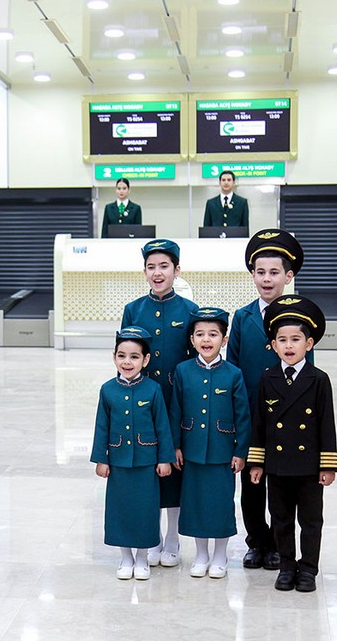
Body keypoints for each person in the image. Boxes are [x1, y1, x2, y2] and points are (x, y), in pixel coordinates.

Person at [227, 229, 307, 571]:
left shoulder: (300, 316)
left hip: (287, 416)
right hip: (250, 416)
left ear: (288, 276)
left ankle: (277, 542)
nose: (266, 279)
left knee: (282, 482)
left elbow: (307, 371)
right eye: (260, 272)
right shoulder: (243, 317)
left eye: (274, 272)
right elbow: (231, 368)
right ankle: (255, 541)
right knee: (251, 482)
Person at [248, 295, 337, 593]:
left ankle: (308, 568)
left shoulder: (319, 379)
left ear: (309, 344)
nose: (288, 346)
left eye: (295, 339)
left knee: (311, 520)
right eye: (282, 340)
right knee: (282, 519)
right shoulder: (267, 378)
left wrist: (328, 464)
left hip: (309, 465)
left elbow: (326, 424)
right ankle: (287, 567)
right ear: (273, 346)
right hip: (278, 464)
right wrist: (257, 461)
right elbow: (260, 423)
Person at [121, 239, 198, 567]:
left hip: (177, 403)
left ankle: (172, 538)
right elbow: (124, 356)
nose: (157, 272)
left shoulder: (190, 311)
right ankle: (149, 536)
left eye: (164, 266)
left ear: (177, 270)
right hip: (141, 403)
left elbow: (197, 360)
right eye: (151, 267)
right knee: (147, 470)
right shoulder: (133, 310)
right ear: (144, 271)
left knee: (176, 471)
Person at [171, 307, 250, 579]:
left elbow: (243, 416)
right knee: (195, 504)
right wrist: (176, 446)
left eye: (213, 334)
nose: (207, 340)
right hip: (191, 451)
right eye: (200, 334)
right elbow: (176, 410)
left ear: (224, 340)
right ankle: (201, 554)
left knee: (220, 504)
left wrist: (241, 451)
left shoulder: (233, 374)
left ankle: (220, 555)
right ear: (192, 339)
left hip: (222, 451)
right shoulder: (182, 371)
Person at [91, 327, 174, 581]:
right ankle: (125, 557)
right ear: (114, 357)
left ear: (145, 360)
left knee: (145, 511)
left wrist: (164, 458)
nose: (127, 362)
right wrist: (101, 459)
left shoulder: (153, 389)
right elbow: (101, 426)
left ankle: (141, 558)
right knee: (121, 511)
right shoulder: (107, 390)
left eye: (134, 356)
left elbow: (162, 425)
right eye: (122, 356)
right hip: (117, 462)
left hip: (147, 463)